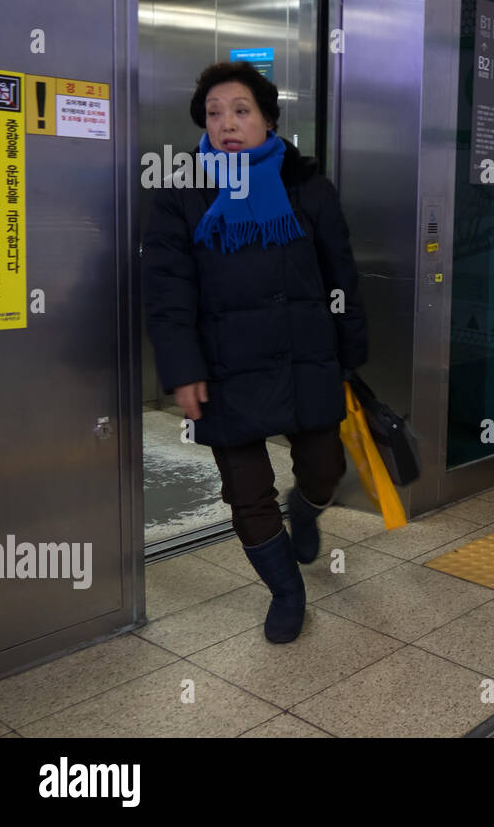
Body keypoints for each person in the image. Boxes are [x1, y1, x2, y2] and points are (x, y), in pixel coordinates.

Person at [143, 61, 368, 643]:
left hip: (306, 358)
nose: (227, 124)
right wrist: (183, 369)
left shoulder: (309, 187)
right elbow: (167, 290)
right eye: (214, 114)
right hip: (224, 368)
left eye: (241, 110)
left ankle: (309, 507)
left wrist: (351, 355)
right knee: (246, 492)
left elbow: (340, 276)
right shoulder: (182, 192)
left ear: (268, 118)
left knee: (325, 469)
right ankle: (287, 592)